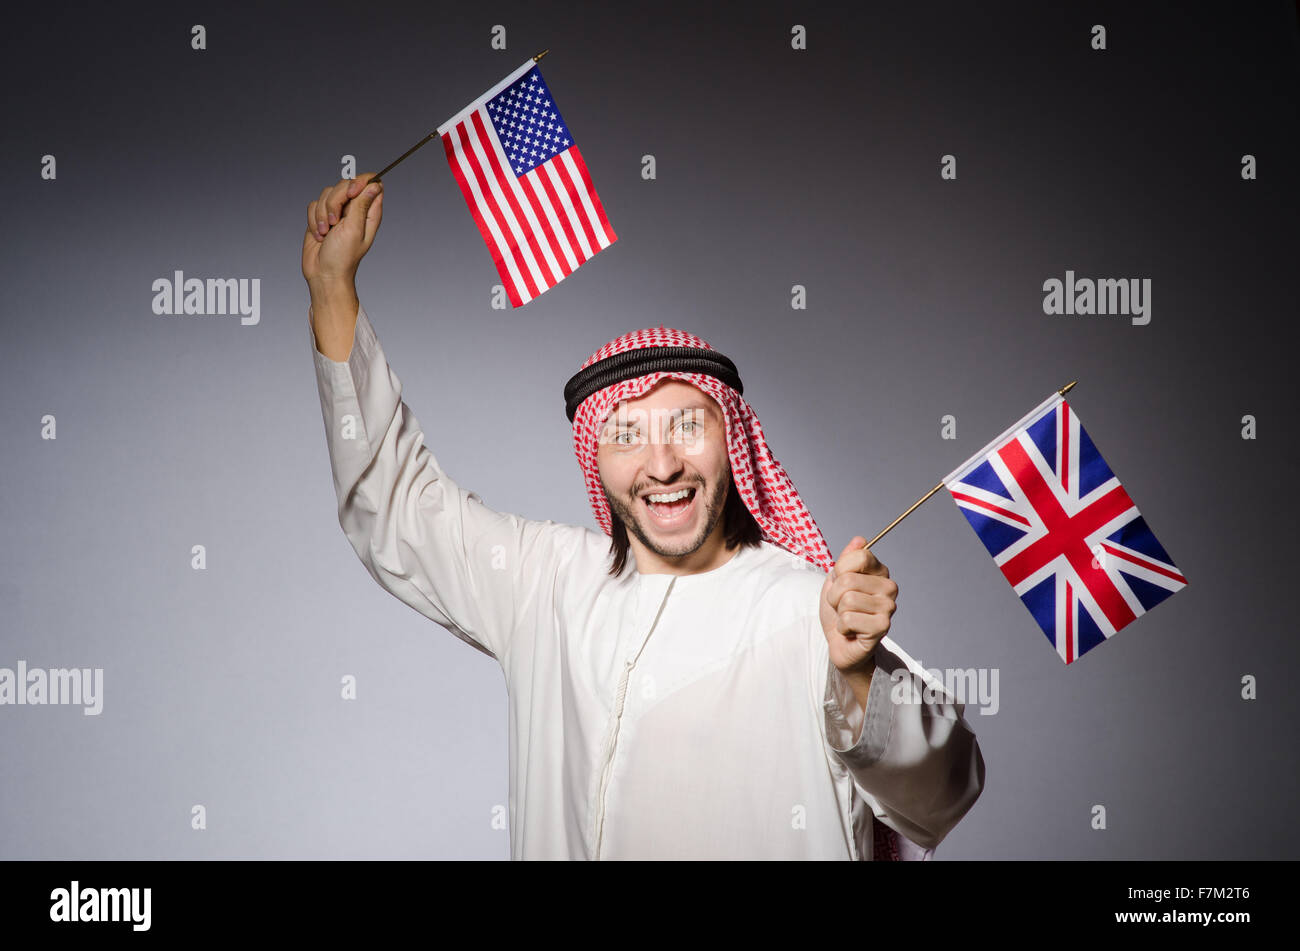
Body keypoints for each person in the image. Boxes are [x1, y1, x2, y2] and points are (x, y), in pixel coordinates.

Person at [301, 173, 985, 860]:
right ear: (595, 459)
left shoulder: (813, 608)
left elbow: (944, 791)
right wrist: (333, 289)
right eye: (626, 434)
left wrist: (859, 674)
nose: (661, 465)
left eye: (687, 425)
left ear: (735, 441)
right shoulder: (547, 584)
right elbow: (393, 507)